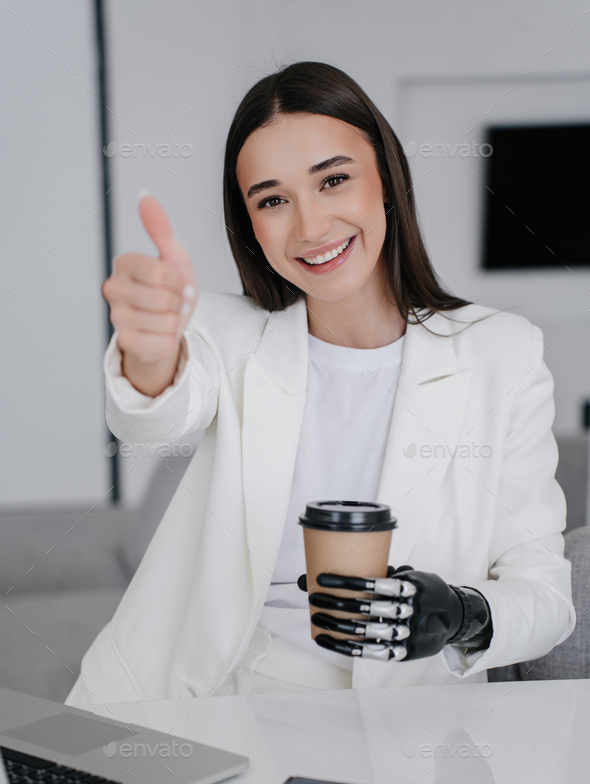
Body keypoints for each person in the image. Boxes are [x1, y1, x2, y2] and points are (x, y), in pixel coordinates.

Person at [66, 61, 574, 705]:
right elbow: (152, 414)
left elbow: (548, 595)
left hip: (400, 720)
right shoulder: (225, 333)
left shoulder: (503, 353)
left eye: (333, 180)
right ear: (250, 224)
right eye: (273, 200)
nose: (309, 227)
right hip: (214, 705)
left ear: (385, 182)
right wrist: (148, 350)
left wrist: (462, 614)